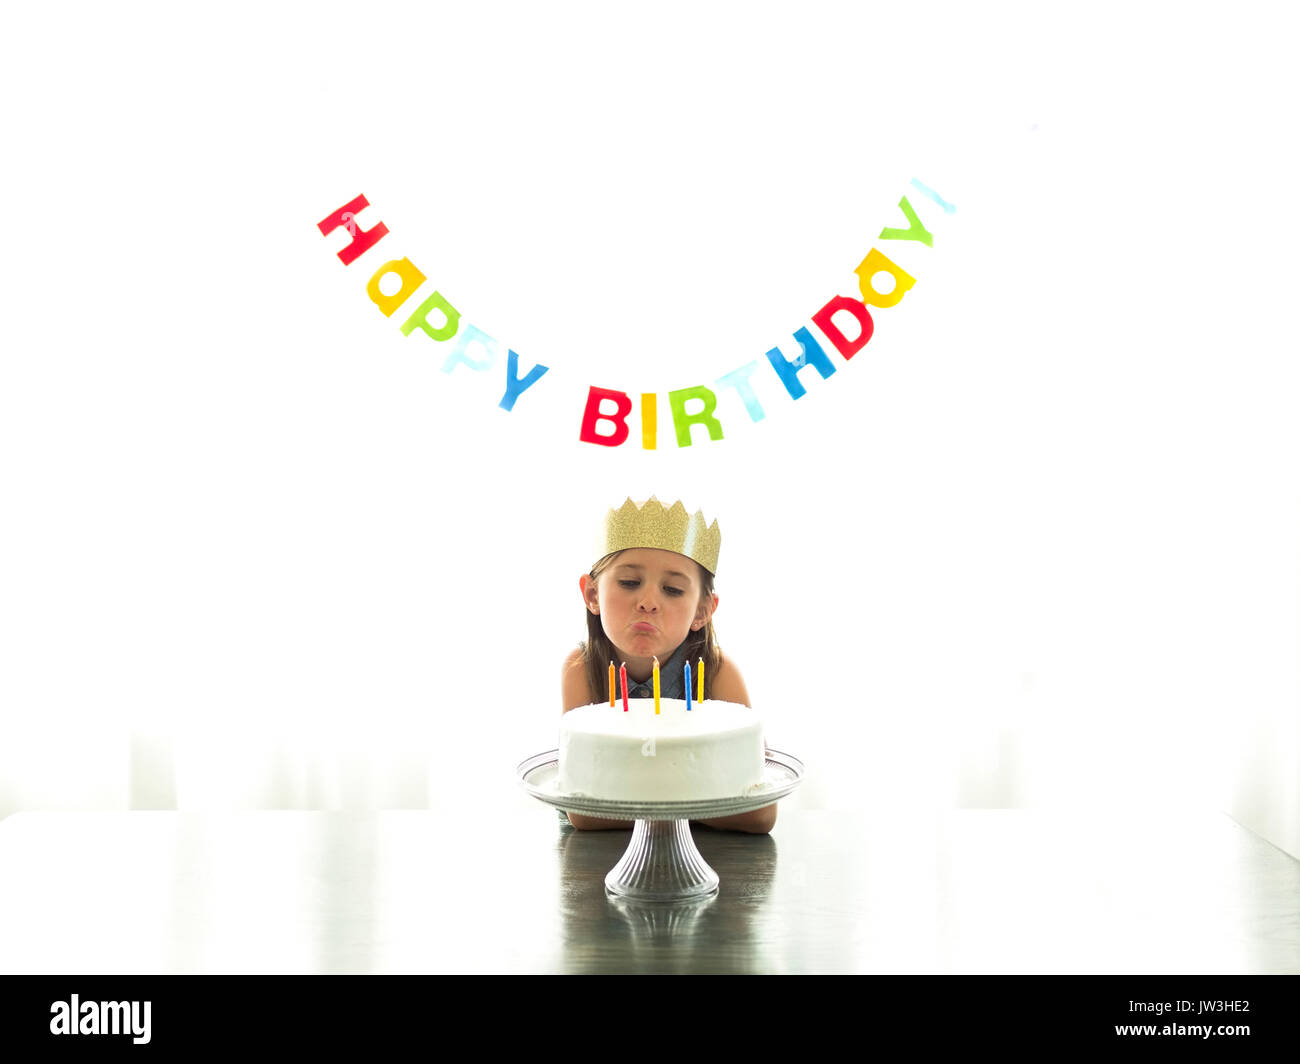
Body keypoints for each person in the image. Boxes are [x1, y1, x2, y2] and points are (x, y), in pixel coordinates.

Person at [560, 497, 776, 834]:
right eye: (629, 583)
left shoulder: (718, 672)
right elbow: (585, 813)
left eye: (673, 589)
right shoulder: (581, 668)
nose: (648, 602)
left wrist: (635, 799)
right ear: (592, 594)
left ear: (703, 611)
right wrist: (701, 796)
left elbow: (758, 812)